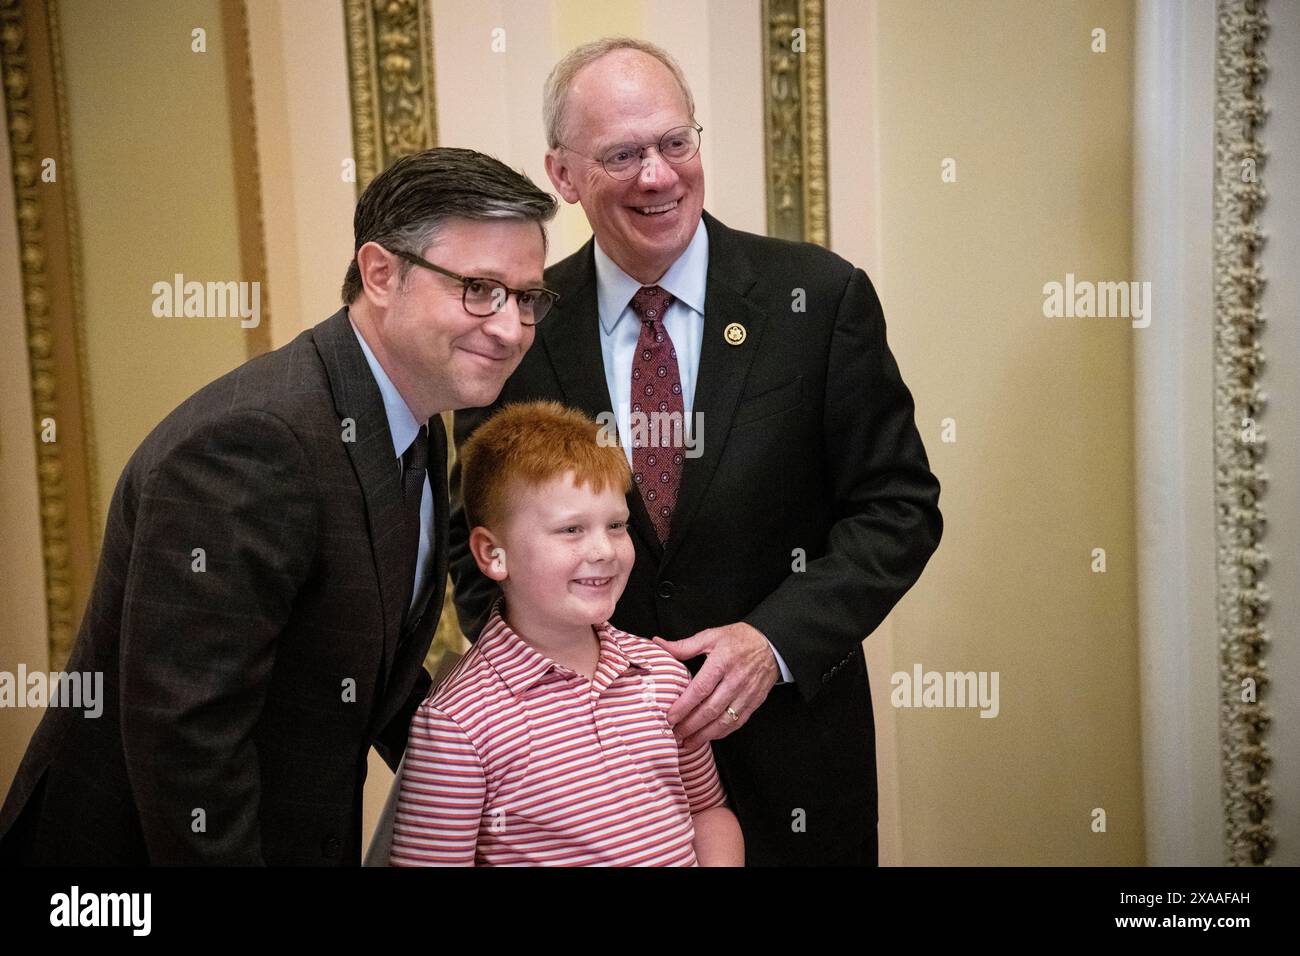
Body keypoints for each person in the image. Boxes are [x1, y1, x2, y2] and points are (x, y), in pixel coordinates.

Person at [448, 39, 943, 866]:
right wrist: (552, 708)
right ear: (563, 175)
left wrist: (771, 642)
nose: (658, 175)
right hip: (587, 793)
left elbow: (898, 511)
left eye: (676, 142)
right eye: (623, 154)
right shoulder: (518, 334)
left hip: (796, 765)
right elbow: (480, 553)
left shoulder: (817, 299)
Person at [0, 147, 557, 865]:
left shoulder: (416, 417)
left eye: (528, 298)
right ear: (382, 273)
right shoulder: (253, 441)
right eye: (479, 289)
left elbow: (361, 672)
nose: (510, 328)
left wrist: (529, 765)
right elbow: (187, 743)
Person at [388, 400, 743, 866]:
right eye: (572, 529)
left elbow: (707, 811)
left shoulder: (662, 676)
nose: (604, 550)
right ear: (493, 554)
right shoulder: (457, 724)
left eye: (617, 525)